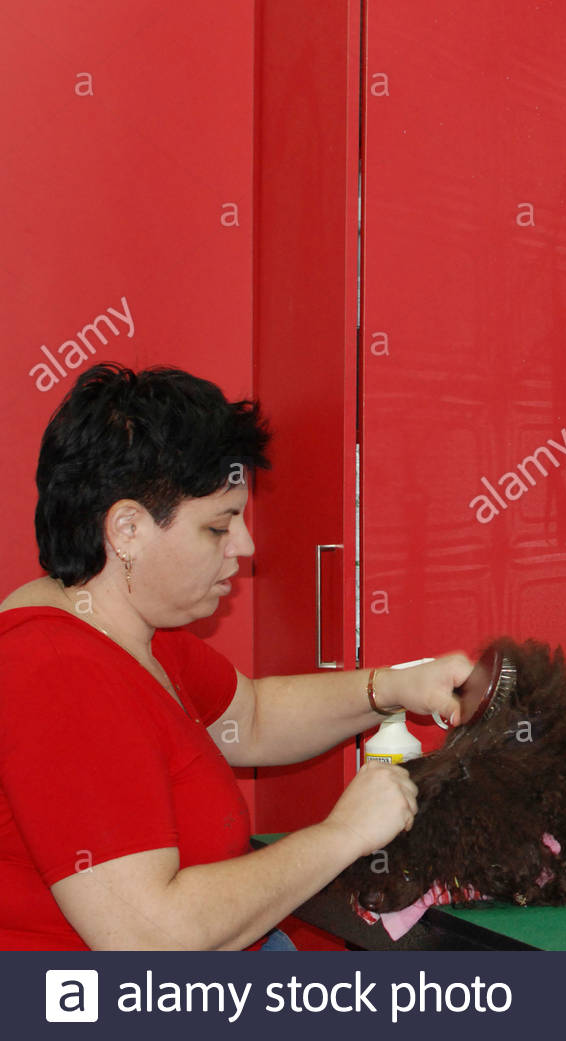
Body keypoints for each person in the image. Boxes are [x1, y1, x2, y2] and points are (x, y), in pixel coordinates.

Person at [0, 363, 473, 950]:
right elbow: (149, 941)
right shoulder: (59, 675)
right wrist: (343, 835)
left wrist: (399, 685)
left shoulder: (129, 628)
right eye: (218, 527)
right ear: (126, 529)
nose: (245, 546)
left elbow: (249, 717)